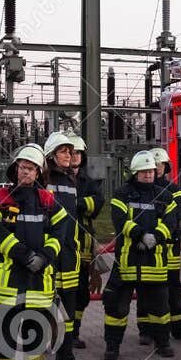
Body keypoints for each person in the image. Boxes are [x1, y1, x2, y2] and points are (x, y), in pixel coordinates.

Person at [0, 144, 70, 360]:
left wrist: (44, 256)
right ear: (14, 169)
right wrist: (25, 255)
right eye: (22, 167)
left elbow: (60, 233)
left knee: (36, 334)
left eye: (31, 169)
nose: (26, 172)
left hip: (38, 282)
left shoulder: (48, 202)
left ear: (39, 173)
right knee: (4, 336)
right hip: (6, 282)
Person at [103, 149, 176, 360]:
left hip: (154, 261)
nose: (148, 175)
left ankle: (162, 343)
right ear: (135, 173)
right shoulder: (122, 194)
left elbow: (171, 222)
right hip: (127, 261)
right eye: (144, 172)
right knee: (117, 307)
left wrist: (155, 237)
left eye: (151, 171)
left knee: (160, 308)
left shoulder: (165, 196)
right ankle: (112, 346)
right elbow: (120, 219)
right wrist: (141, 235)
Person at [42, 131, 88, 360]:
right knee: (43, 305)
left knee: (68, 308)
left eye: (70, 151)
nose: (69, 155)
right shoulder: (44, 180)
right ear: (51, 156)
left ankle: (65, 355)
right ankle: (38, 351)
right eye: (64, 151)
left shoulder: (71, 181)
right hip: (49, 253)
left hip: (69, 253)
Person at [150, 146, 181, 341]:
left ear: (167, 167)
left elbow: (176, 217)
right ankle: (148, 330)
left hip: (169, 246)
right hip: (148, 248)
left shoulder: (175, 191)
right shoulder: (142, 190)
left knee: (173, 287)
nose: (158, 167)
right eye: (155, 163)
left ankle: (180, 329)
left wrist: (155, 230)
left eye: (161, 164)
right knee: (149, 289)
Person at [69, 138, 103, 348]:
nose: (74, 157)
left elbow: (97, 204)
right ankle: (57, 332)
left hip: (84, 243)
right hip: (61, 243)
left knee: (81, 292)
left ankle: (74, 333)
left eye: (78, 153)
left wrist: (75, 204)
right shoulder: (52, 179)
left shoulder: (88, 182)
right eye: (70, 153)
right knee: (62, 291)